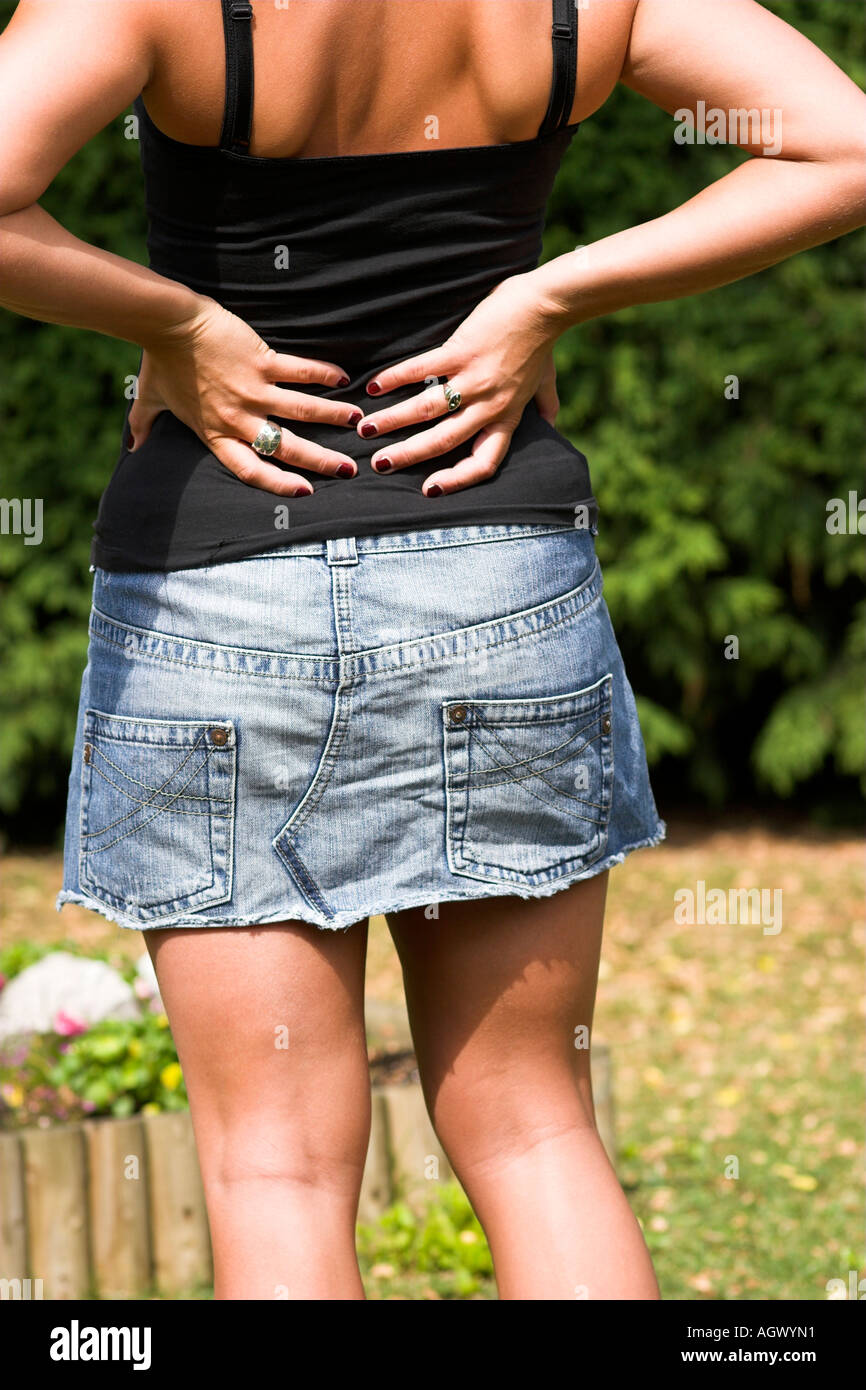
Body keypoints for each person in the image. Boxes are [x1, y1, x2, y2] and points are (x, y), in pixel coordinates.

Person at [1, 0, 863, 1301]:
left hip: (224, 602)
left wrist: (176, 326)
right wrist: (553, 293)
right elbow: (843, 147)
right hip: (497, 579)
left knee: (273, 1167)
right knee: (533, 1123)